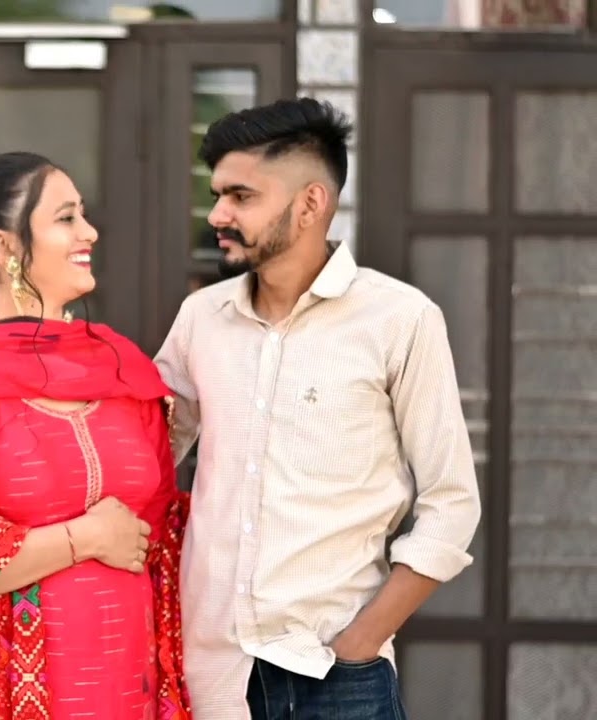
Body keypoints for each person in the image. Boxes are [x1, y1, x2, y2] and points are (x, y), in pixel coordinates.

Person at [154, 97, 481, 719]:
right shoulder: (202, 318)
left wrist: (359, 644)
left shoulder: (400, 319)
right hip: (213, 673)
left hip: (337, 675)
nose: (218, 214)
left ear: (311, 203)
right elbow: (144, 457)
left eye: (241, 197)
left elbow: (453, 504)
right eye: (218, 195)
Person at [0, 151, 192, 720]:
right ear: (4, 246)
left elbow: (160, 534)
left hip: (131, 683)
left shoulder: (125, 370)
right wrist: (83, 538)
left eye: (83, 215)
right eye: (66, 218)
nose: (89, 232)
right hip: (6, 693)